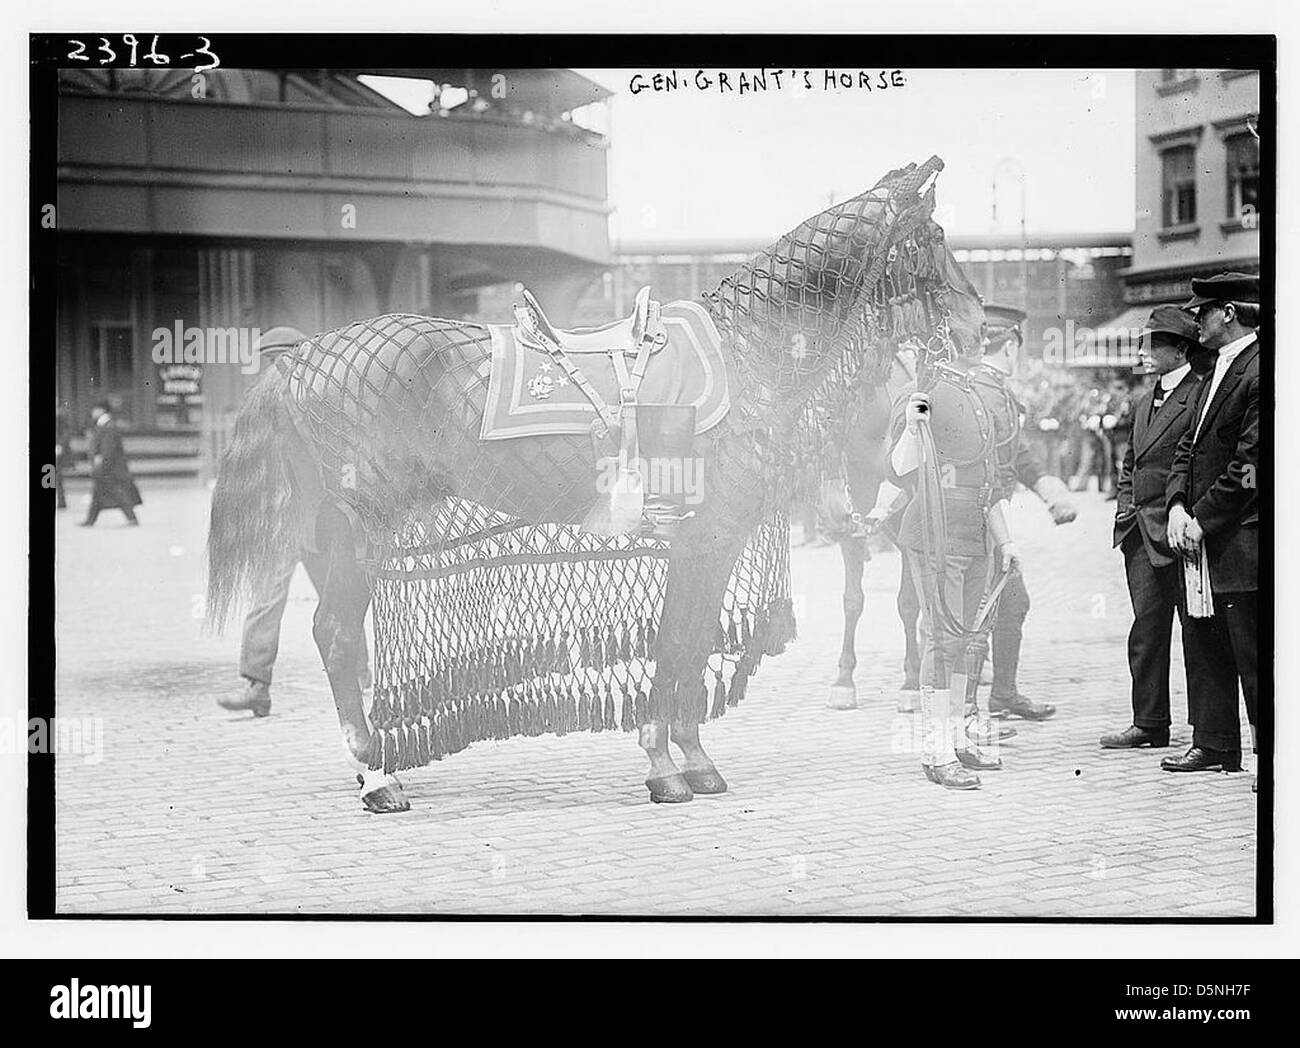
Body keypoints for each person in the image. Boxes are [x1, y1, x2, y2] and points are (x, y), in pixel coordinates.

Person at [887, 317, 1021, 790]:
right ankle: (937, 751)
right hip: (937, 534)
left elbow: (993, 479)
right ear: (944, 342)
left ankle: (958, 741)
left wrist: (1006, 540)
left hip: (974, 534)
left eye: (979, 335)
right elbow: (901, 467)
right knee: (942, 642)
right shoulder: (929, 393)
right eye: (966, 335)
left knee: (963, 641)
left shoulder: (976, 395)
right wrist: (910, 427)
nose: (977, 341)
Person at [219, 326, 372, 717]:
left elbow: (349, 457)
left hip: (323, 523)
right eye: (272, 361)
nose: (279, 368)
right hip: (280, 524)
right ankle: (256, 684)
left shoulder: (326, 400)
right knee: (264, 599)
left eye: (283, 359)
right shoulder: (264, 404)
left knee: (341, 597)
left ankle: (361, 674)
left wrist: (348, 500)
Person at [1164, 273, 1260, 784]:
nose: (1194, 320)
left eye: (1201, 312)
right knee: (1204, 639)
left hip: (1240, 536)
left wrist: (1203, 517)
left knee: (1251, 650)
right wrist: (1178, 505)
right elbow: (1187, 448)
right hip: (1201, 533)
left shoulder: (1262, 369)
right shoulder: (1213, 372)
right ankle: (1215, 742)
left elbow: (1252, 464)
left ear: (1228, 312)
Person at [1100, 306, 1205, 750]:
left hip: (1181, 534)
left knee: (1198, 632)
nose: (1143, 352)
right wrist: (1126, 508)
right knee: (1146, 629)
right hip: (1140, 535)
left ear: (1180, 350)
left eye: (1153, 344)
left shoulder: (1199, 396)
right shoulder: (1144, 402)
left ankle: (1208, 731)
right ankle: (1149, 722)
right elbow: (1131, 463)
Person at [79, 400, 141, 526]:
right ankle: (90, 520)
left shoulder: (108, 425)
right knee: (98, 493)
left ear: (101, 410)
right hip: (107, 465)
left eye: (95, 409)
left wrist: (100, 459)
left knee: (116, 491)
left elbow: (108, 447)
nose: (93, 412)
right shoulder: (104, 425)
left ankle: (132, 518)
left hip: (109, 467)